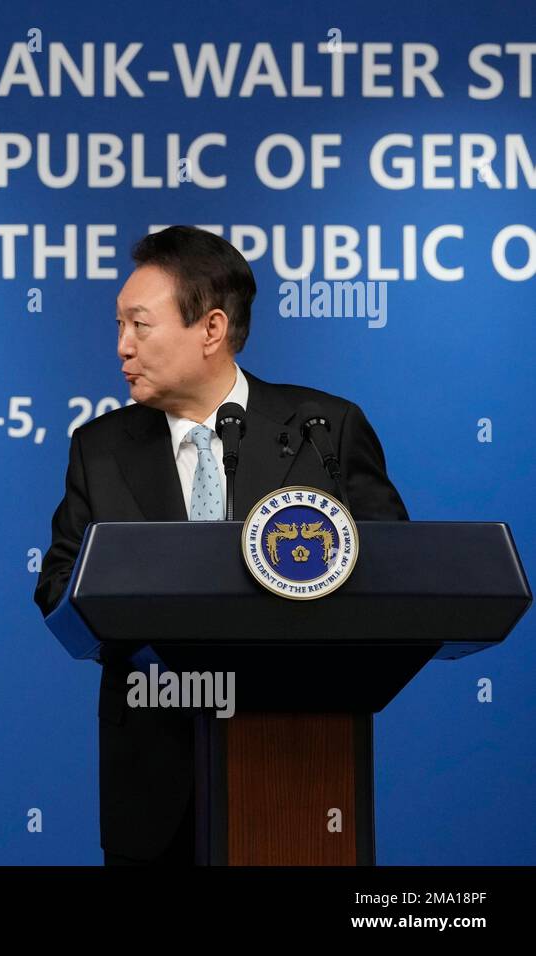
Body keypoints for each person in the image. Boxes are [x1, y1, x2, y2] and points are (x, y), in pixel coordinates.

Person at [33, 225, 408, 865]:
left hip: (302, 763)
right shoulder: (99, 449)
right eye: (118, 325)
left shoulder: (325, 429)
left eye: (139, 325)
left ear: (210, 329)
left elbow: (394, 574)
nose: (121, 346)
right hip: (154, 776)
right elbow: (58, 588)